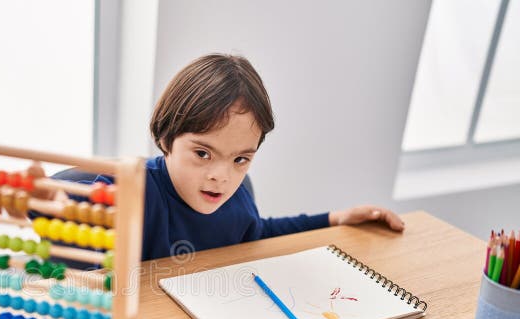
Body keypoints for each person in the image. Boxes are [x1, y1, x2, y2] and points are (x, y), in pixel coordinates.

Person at [45, 53, 404, 262]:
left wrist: (335, 218)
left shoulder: (239, 194)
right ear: (166, 138)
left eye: (240, 159)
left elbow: (258, 232)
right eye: (203, 153)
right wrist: (43, 202)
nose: (222, 176)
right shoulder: (137, 190)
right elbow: (84, 213)